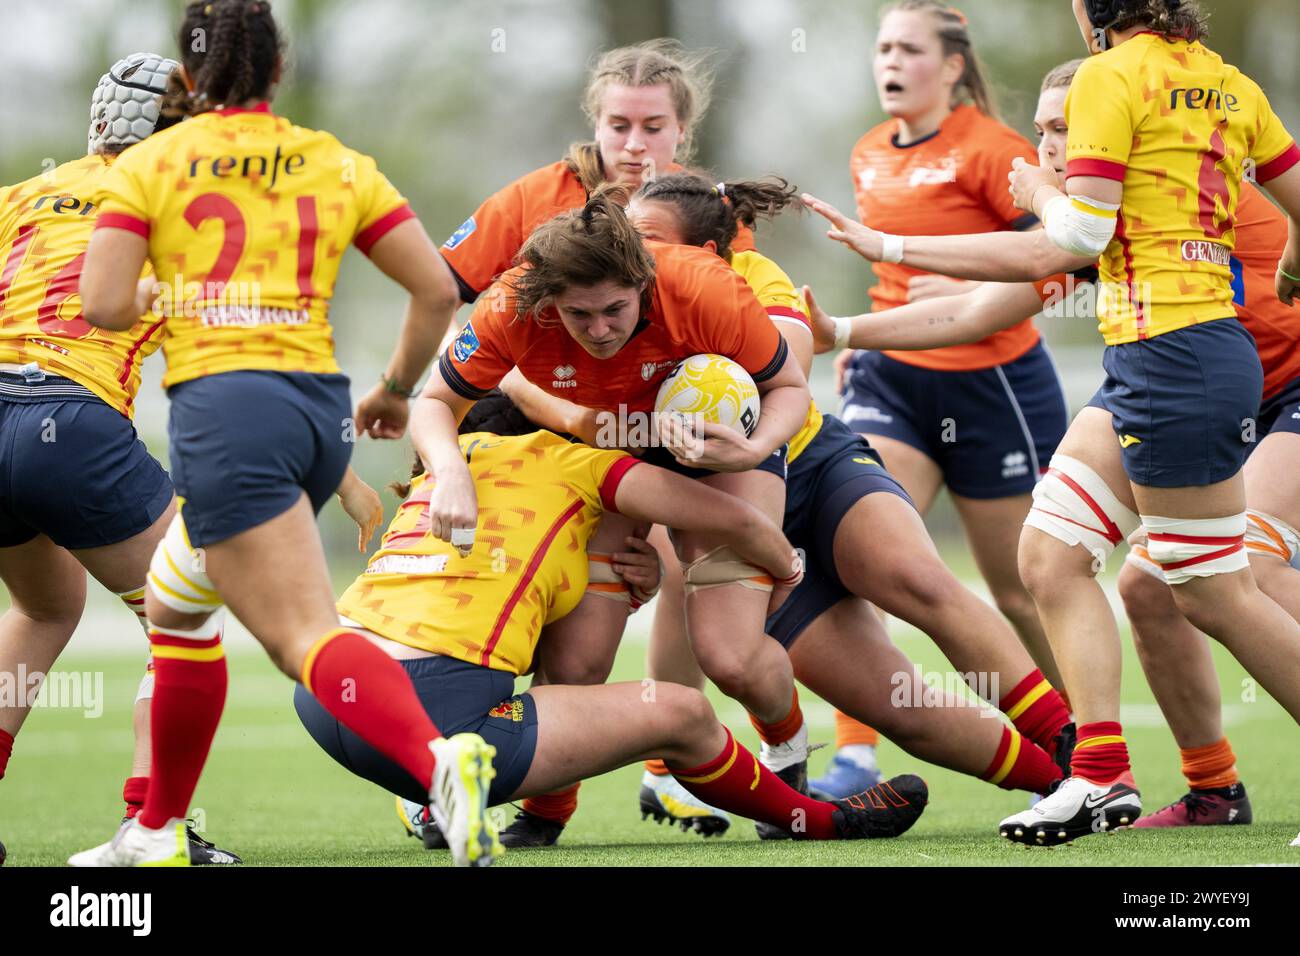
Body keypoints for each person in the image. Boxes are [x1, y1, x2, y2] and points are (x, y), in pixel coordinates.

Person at [803, 0, 1300, 844]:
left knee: (1222, 583)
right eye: (1042, 132)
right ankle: (1104, 776)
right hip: (1162, 364)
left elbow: (1055, 242)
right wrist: (847, 330)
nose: (1051, 149)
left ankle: (1139, 776)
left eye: (1065, 131)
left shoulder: (1116, 115)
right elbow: (999, 295)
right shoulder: (1211, 97)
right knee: (1053, 553)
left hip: (1211, 370)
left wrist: (913, 238)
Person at [66, 0, 485, 867]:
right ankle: (154, 833)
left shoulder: (154, 162)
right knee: (179, 606)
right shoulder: (332, 159)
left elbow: (101, 304)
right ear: (278, 71)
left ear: (188, 79)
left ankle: (439, 761)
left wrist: (167, 292)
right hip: (314, 411)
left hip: (228, 415)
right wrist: (398, 391)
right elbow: (439, 292)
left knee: (301, 637)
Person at [296, 390, 929, 845]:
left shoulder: (443, 467)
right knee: (682, 711)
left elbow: (514, 588)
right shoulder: (571, 459)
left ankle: (431, 795)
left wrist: (625, 584)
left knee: (508, 676)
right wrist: (787, 572)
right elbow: (734, 520)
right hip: (434, 705)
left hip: (327, 691)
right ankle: (818, 820)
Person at [436, 39, 755, 844]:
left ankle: (655, 775)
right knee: (503, 599)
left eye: (653, 126)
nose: (635, 145)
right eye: (620, 125)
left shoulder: (704, 216)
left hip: (649, 435)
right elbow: (452, 315)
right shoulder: (536, 198)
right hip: (521, 423)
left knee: (658, 583)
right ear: (596, 122)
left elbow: (739, 343)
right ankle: (438, 767)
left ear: (684, 130)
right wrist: (552, 411)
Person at [820, 0, 1071, 797]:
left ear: (952, 66)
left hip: (993, 385)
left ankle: (1082, 756)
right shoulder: (867, 151)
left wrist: (966, 282)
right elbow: (892, 274)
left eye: (908, 48)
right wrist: (858, 338)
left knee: (1021, 589)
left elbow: (1060, 255)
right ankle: (856, 754)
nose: (889, 61)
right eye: (882, 47)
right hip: (892, 378)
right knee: (862, 563)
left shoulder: (996, 150)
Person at [0, 52, 245, 864]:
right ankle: (152, 825)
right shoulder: (178, 206)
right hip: (68, 420)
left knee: (43, 609)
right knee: (183, 615)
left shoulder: (25, 195)